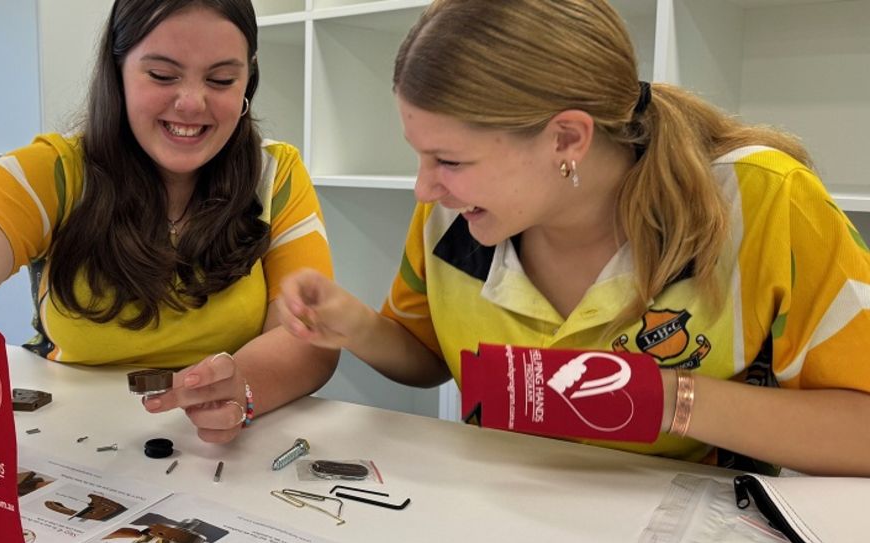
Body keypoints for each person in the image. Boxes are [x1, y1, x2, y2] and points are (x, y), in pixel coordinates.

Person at [277, 0, 870, 477]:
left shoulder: (763, 200)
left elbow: (859, 430)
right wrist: (356, 326)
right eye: (421, 156)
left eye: (449, 159)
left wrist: (658, 399)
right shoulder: (456, 216)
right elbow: (430, 357)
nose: (425, 188)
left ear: (566, 138)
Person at [0, 0, 337, 442]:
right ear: (117, 74)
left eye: (220, 80)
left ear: (247, 83)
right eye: (161, 75)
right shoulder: (56, 169)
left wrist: (244, 386)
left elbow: (311, 335)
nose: (192, 103)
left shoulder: (274, 173)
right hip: (70, 437)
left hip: (214, 448)